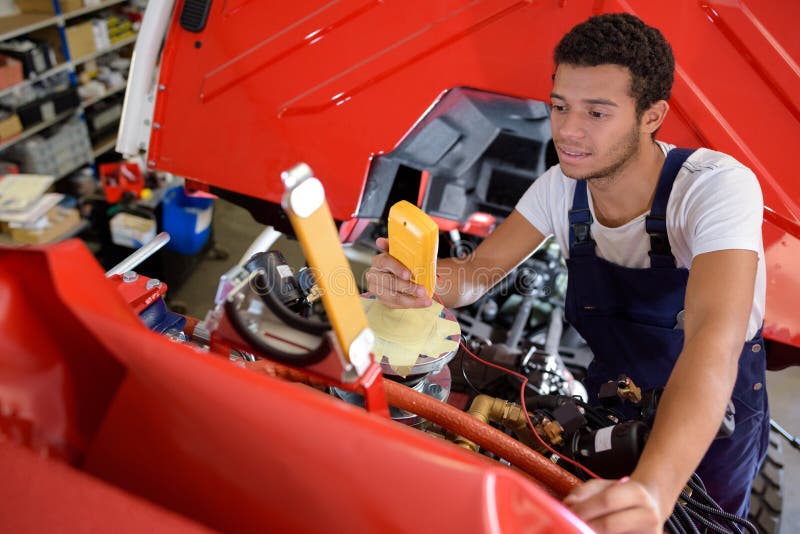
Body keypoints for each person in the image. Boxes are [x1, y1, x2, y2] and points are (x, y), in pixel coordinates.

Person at [366, 12, 769, 533]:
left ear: (652, 116)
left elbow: (713, 337)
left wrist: (655, 489)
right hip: (611, 401)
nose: (568, 131)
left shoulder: (714, 188)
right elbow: (472, 277)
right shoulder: (562, 187)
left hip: (711, 419)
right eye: (560, 106)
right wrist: (416, 280)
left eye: (596, 113)